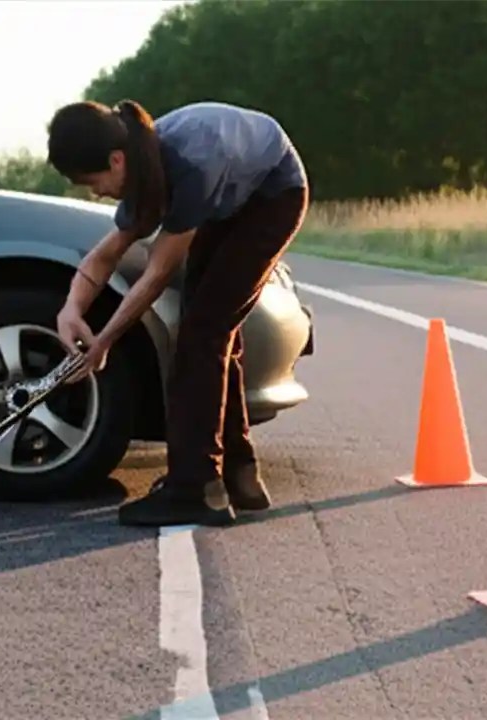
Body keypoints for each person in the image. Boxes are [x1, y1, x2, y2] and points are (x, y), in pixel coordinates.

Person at [46, 98, 308, 527]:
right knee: (209, 329)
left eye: (91, 181)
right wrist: (70, 310)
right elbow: (105, 255)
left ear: (116, 160)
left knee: (203, 333)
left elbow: (155, 276)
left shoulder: (190, 162)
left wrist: (103, 342)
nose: (94, 192)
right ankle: (239, 476)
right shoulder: (141, 170)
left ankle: (196, 489)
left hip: (273, 195)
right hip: (230, 200)